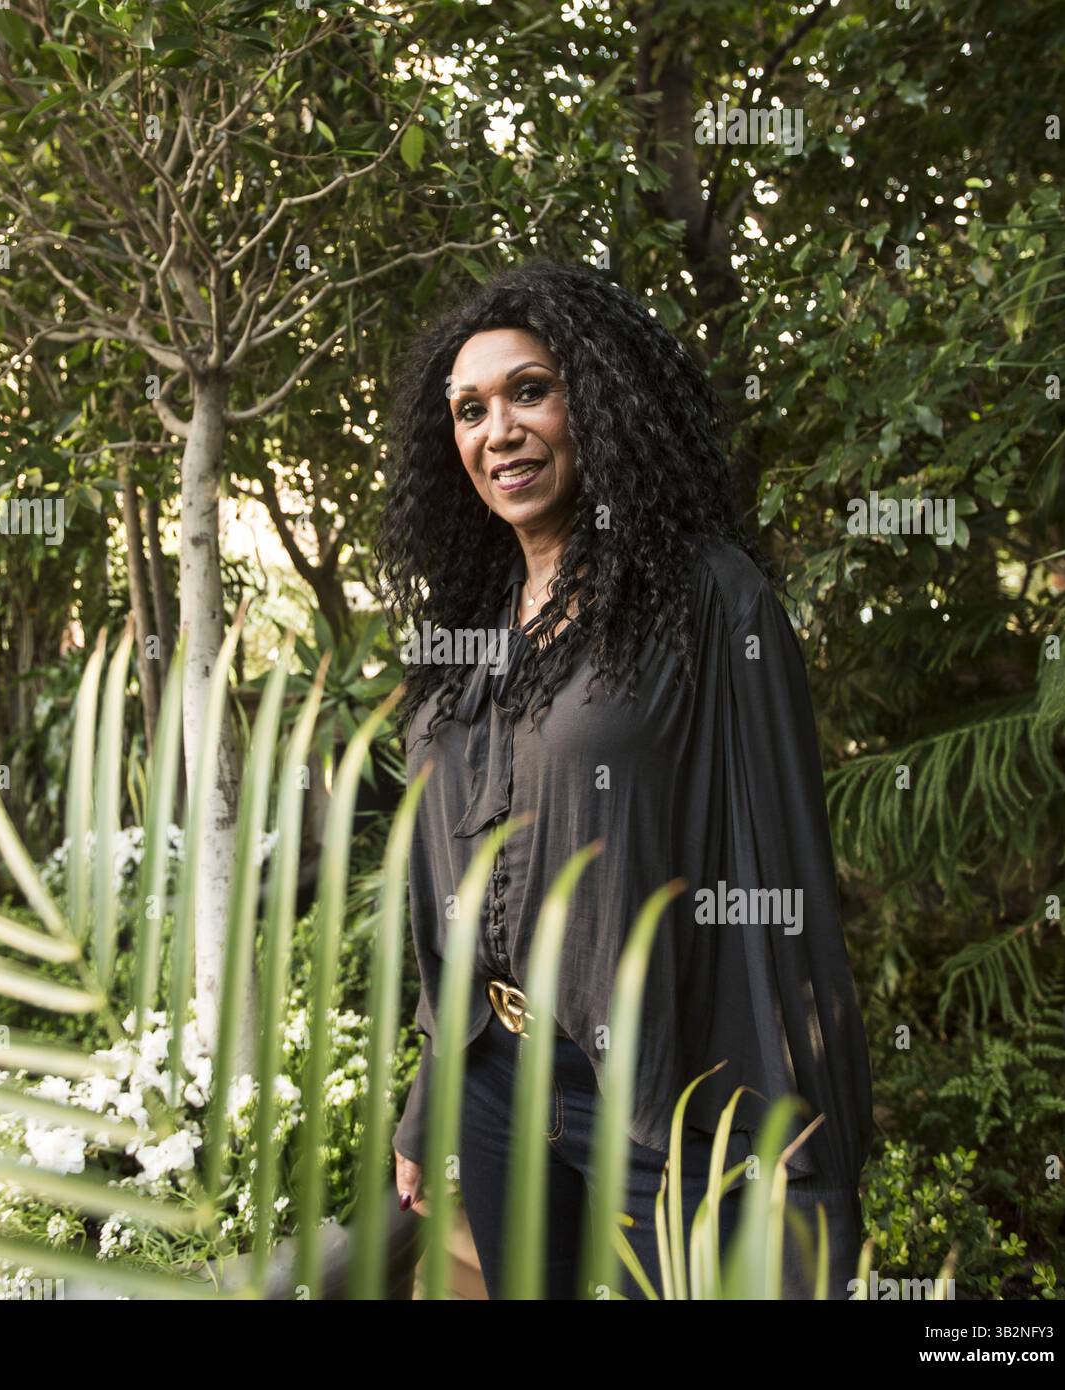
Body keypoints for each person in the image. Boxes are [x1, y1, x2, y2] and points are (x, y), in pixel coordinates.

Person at [374, 258, 874, 1300]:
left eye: (528, 390)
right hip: (496, 1081)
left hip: (665, 1089)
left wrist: (792, 1135)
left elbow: (779, 869)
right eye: (468, 409)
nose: (497, 429)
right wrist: (431, 1095)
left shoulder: (707, 600)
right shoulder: (472, 627)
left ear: (593, 400)